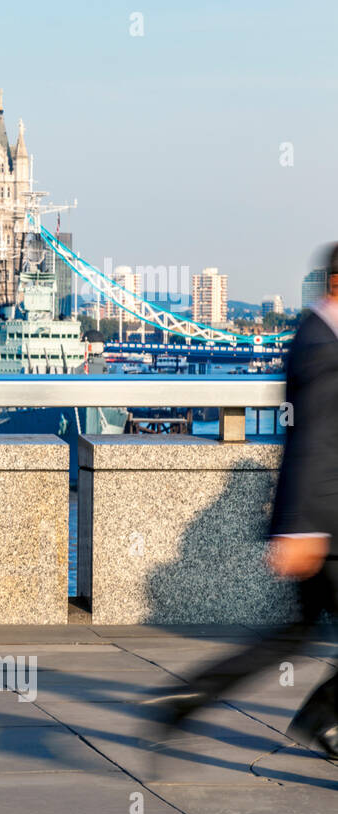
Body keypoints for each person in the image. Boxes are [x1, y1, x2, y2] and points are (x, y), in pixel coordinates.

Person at [149, 244, 338, 759]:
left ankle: (190, 696)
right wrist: (299, 528)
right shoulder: (321, 345)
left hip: (317, 518)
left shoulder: (318, 336)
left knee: (296, 634)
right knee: (296, 634)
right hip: (322, 522)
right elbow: (313, 440)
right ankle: (323, 717)